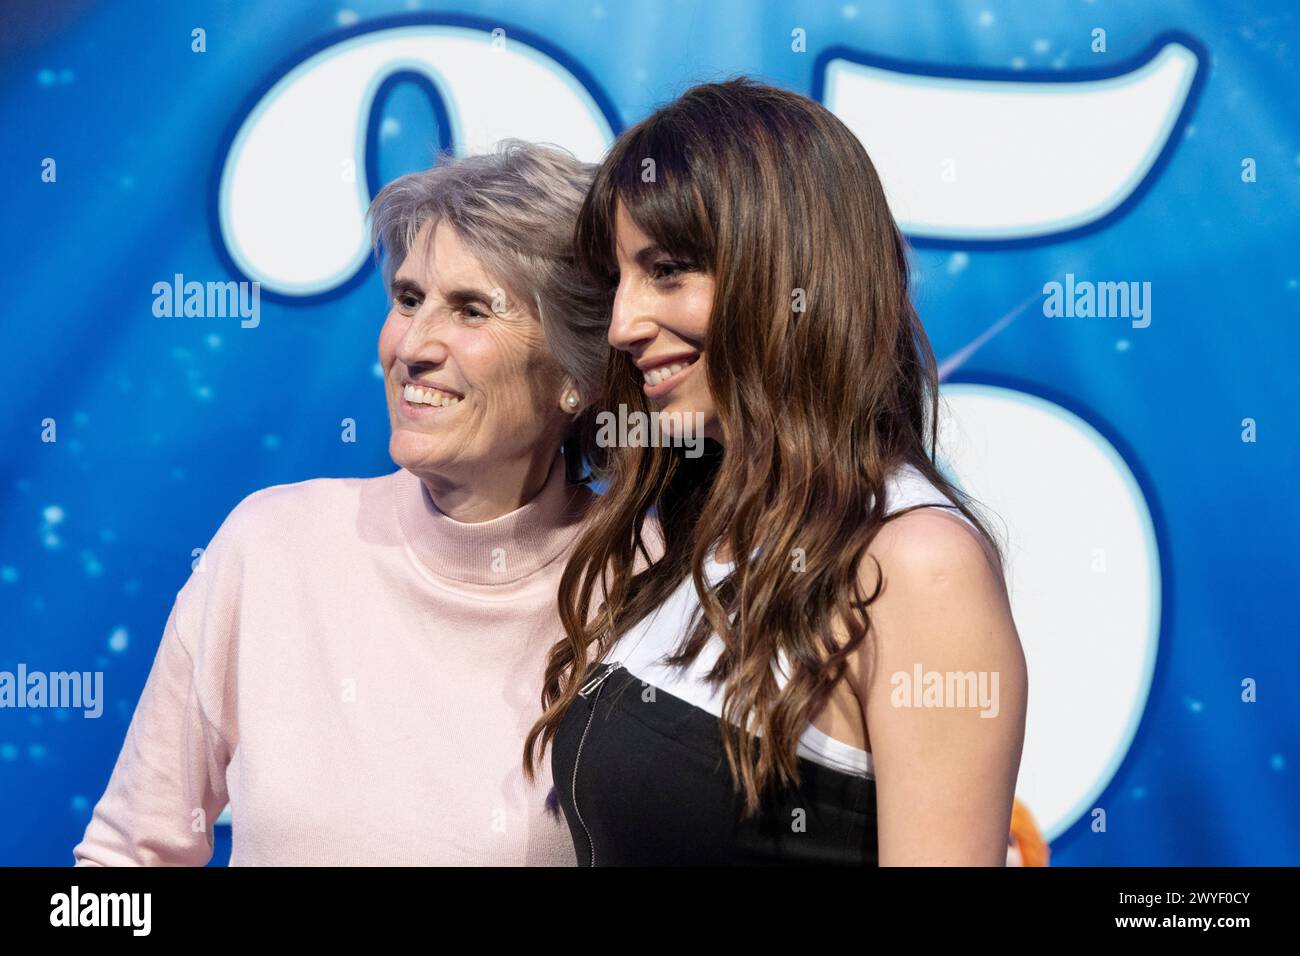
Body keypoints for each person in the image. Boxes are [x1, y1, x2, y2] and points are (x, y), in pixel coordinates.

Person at [524, 78, 1028, 865]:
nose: (623, 325)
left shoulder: (916, 566)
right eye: (617, 279)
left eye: (667, 271)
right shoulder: (697, 532)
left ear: (790, 275)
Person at [73, 140, 611, 865]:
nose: (413, 345)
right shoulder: (271, 547)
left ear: (574, 374)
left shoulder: (650, 581)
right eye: (409, 299)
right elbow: (126, 860)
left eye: (472, 311)